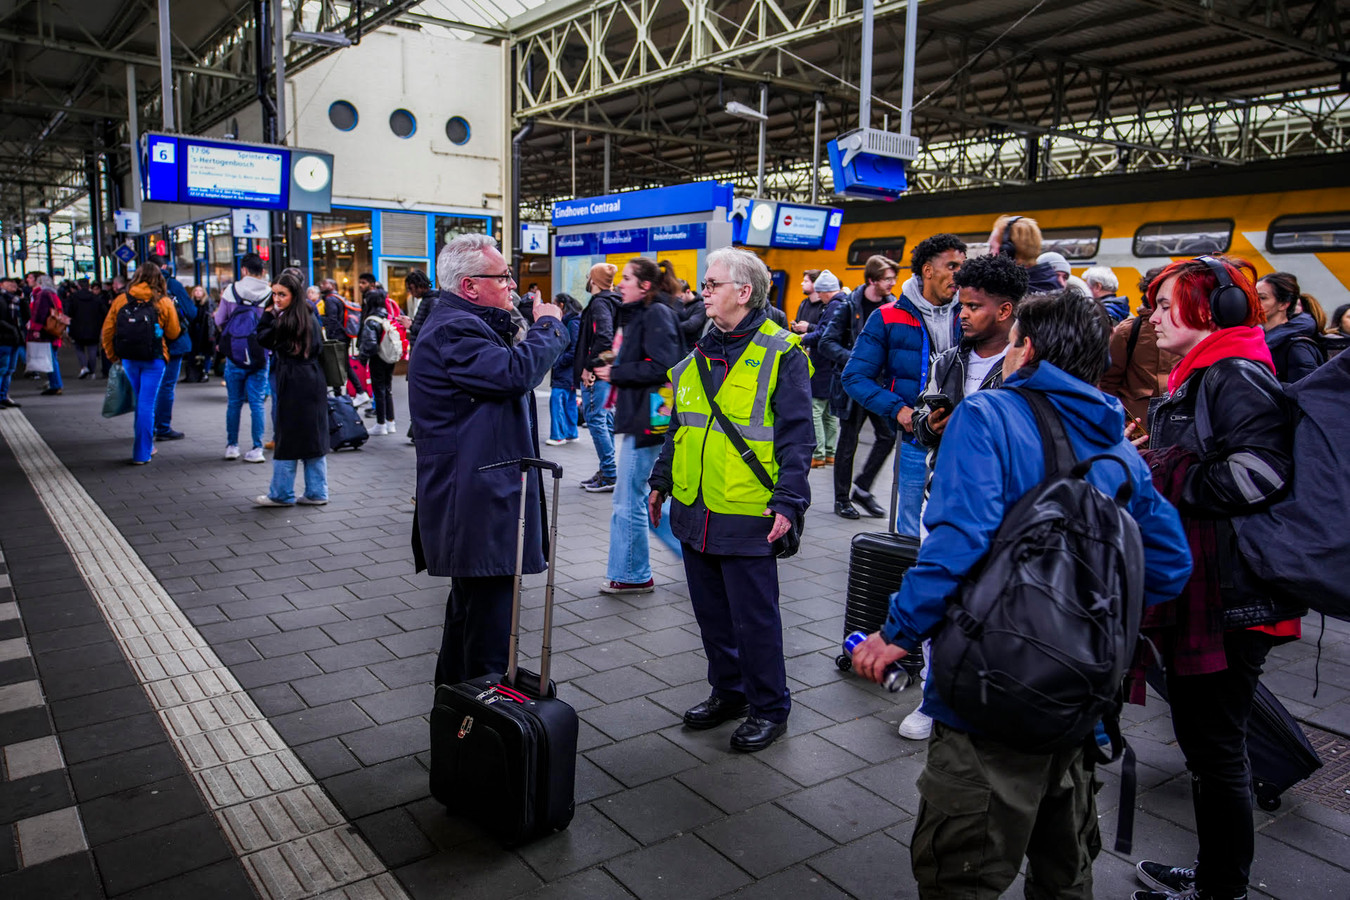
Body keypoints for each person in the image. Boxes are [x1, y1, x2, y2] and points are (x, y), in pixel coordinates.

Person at [852, 288, 1191, 900]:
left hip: (989, 687)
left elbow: (956, 545)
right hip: (1082, 699)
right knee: (1065, 873)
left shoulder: (988, 416)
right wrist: (1083, 620)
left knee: (961, 874)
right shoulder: (1116, 443)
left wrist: (896, 633)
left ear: (1026, 348)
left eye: (1011, 344)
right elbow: (1168, 564)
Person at [1130, 256, 1304, 900]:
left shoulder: (1232, 372)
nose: (1153, 315)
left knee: (1217, 750)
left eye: (1165, 302)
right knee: (1208, 746)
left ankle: (1221, 889)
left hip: (1231, 598)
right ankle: (1215, 877)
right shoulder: (1206, 372)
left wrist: (1161, 472)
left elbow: (1261, 473)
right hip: (1213, 592)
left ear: (1214, 308)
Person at [648, 246, 813, 752]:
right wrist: (661, 480)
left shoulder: (782, 352)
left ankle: (770, 708)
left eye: (712, 284)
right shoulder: (700, 350)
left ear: (743, 292)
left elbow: (797, 437)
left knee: (754, 620)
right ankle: (730, 692)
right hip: (695, 508)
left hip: (748, 511)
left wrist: (789, 501)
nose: (703, 291)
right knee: (713, 616)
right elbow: (680, 424)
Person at [408, 234, 568, 687]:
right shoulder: (454, 329)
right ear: (470, 286)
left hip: (478, 494)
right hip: (478, 499)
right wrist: (549, 326)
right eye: (503, 277)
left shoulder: (463, 323)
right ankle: (483, 706)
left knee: (470, 612)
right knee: (488, 625)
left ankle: (456, 704)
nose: (512, 284)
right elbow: (515, 373)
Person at [843, 235, 967, 534]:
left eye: (963, 267)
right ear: (928, 270)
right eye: (952, 266)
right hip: (915, 441)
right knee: (910, 526)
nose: (959, 274)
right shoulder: (887, 318)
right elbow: (854, 377)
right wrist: (899, 410)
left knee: (956, 526)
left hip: (964, 439)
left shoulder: (970, 315)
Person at [594, 257, 683, 595]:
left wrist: (616, 372)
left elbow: (664, 366)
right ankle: (696, 553)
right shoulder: (641, 312)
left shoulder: (656, 313)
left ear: (645, 285)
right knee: (641, 494)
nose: (621, 283)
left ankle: (633, 575)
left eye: (628, 278)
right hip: (644, 418)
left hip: (650, 420)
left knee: (628, 498)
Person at [817, 255, 900, 519]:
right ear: (872, 280)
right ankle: (842, 499)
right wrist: (856, 360)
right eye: (887, 279)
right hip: (853, 385)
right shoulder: (849, 305)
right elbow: (826, 342)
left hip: (878, 385)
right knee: (848, 442)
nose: (892, 283)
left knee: (888, 435)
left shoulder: (891, 306)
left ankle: (862, 489)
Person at [254, 268, 329, 507]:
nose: (276, 299)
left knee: (287, 436)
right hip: (313, 379)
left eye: (281, 294)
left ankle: (281, 493)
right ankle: (317, 491)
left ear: (293, 295)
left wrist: (268, 313)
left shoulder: (285, 321)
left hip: (293, 381)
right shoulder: (309, 315)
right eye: (274, 294)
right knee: (313, 436)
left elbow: (262, 337)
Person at [100, 264, 183, 465]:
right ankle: (142, 452)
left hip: (129, 359)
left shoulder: (121, 300)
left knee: (140, 401)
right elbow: (174, 332)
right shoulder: (163, 301)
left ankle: (145, 447)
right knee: (147, 403)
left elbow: (107, 331)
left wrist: (113, 356)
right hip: (154, 358)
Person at [1099, 266, 1180, 425]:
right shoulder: (1128, 331)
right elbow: (1108, 382)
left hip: (1174, 424)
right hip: (1137, 426)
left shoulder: (1186, 329)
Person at [214, 253, 273, 463]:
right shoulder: (270, 293)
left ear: (244, 270)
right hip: (260, 353)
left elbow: (219, 319)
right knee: (257, 403)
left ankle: (232, 446)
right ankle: (257, 448)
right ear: (263, 271)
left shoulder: (231, 291)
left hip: (235, 353)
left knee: (234, 402)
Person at [575, 263, 621, 492]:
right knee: (605, 420)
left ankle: (610, 473)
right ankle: (606, 470)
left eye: (588, 276)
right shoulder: (613, 301)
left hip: (597, 374)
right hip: (607, 372)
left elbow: (604, 337)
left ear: (594, 280)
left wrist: (589, 366)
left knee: (595, 420)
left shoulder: (600, 303)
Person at [802, 270, 846, 468]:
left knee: (815, 410)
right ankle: (830, 453)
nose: (819, 296)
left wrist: (803, 338)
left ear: (826, 291)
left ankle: (818, 454)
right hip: (833, 367)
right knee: (829, 413)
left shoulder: (834, 306)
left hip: (823, 366)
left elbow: (823, 334)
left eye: (820, 292)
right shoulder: (844, 303)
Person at [153, 259, 197, 441]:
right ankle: (162, 427)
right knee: (166, 385)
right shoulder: (171, 284)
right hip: (172, 343)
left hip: (144, 345)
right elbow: (191, 312)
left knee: (147, 387)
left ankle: (146, 427)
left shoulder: (135, 288)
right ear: (164, 267)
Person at [1255, 271, 1324, 383]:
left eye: (1262, 298)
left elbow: (1307, 388)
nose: (1254, 303)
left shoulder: (1297, 346)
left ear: (1283, 304)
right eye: (1252, 297)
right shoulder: (1261, 339)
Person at [318, 277, 369, 407]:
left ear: (333, 286)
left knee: (338, 365)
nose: (321, 285)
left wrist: (329, 333)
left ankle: (351, 393)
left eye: (325, 283)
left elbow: (332, 319)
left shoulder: (330, 300)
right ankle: (352, 393)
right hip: (344, 335)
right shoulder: (339, 298)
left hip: (337, 337)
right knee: (342, 364)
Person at [355, 289, 399, 435]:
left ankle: (381, 424)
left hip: (377, 358)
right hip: (389, 356)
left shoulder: (371, 320)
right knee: (387, 389)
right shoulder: (388, 315)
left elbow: (370, 344)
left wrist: (362, 358)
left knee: (379, 391)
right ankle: (390, 422)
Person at [546, 293, 583, 446]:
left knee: (557, 400)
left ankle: (558, 435)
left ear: (561, 305)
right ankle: (571, 433)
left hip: (565, 369)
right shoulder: (575, 320)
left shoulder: (571, 322)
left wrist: (558, 362)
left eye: (555, 303)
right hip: (571, 370)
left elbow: (574, 349)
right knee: (569, 401)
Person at [990, 215, 1062, 293]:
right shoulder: (1048, 283)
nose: (989, 253)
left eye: (992, 247)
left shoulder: (1011, 293)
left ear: (1007, 250)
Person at [26, 274, 64, 395]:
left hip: (46, 330)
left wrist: (35, 329)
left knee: (50, 359)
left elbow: (39, 313)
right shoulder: (53, 294)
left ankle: (55, 384)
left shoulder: (42, 295)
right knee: (53, 357)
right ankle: (55, 383)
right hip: (54, 330)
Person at [65, 278, 105, 380]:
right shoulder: (96, 298)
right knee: (92, 349)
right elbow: (103, 312)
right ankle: (92, 371)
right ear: (89, 286)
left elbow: (68, 312)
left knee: (79, 348)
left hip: (77, 327)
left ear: (78, 286)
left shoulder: (73, 298)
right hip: (94, 328)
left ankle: (84, 366)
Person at [0, 279, 23, 408]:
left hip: (14, 339)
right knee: (2, 370)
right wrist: (12, 328)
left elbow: (26, 315)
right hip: (4, 339)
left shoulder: (15, 300)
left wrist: (23, 299)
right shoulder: (2, 300)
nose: (12, 286)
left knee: (9, 370)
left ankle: (3, 396)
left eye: (14, 284)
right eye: (8, 283)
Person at [184, 285, 214, 383]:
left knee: (207, 353)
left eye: (200, 290)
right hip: (193, 331)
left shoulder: (208, 303)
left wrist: (212, 333)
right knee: (191, 352)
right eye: (196, 290)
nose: (197, 292)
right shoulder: (190, 304)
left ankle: (205, 372)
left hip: (205, 331)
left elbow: (211, 319)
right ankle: (191, 374)